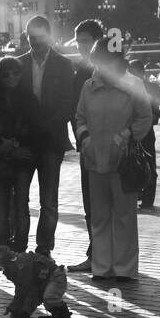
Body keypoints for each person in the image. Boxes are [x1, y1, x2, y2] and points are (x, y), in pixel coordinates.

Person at [75, 42, 152, 281]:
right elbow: (80, 117)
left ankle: (124, 268)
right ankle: (101, 266)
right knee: (99, 214)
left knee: (124, 214)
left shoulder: (133, 85)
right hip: (94, 157)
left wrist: (126, 137)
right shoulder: (89, 86)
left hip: (123, 159)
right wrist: (85, 139)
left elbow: (144, 118)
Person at [16, 16, 76, 255]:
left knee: (48, 201)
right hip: (25, 141)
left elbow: (68, 102)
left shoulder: (63, 64)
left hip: (51, 141)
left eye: (40, 37)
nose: (35, 42)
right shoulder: (18, 64)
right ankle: (19, 247)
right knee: (20, 200)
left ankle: (44, 249)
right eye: (31, 38)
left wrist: (48, 125)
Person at [0, 57, 40, 252]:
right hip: (2, 158)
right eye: (6, 74)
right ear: (0, 77)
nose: (11, 77)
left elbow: (36, 128)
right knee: (1, 208)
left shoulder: (29, 99)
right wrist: (2, 143)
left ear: (21, 74)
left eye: (15, 73)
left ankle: (20, 248)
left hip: (23, 157)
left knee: (21, 205)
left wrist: (13, 144)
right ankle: (3, 248)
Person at [66, 19, 106, 273]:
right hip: (88, 148)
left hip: (113, 147)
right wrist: (82, 138)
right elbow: (75, 111)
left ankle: (108, 255)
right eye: (78, 41)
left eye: (86, 41)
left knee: (110, 205)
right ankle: (95, 253)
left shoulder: (115, 69)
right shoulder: (80, 72)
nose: (81, 46)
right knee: (91, 204)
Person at [128, 58, 160, 209]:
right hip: (135, 131)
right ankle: (143, 196)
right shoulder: (133, 87)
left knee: (146, 163)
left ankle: (145, 197)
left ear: (142, 73)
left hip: (142, 131)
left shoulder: (149, 87)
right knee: (139, 162)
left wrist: (156, 114)